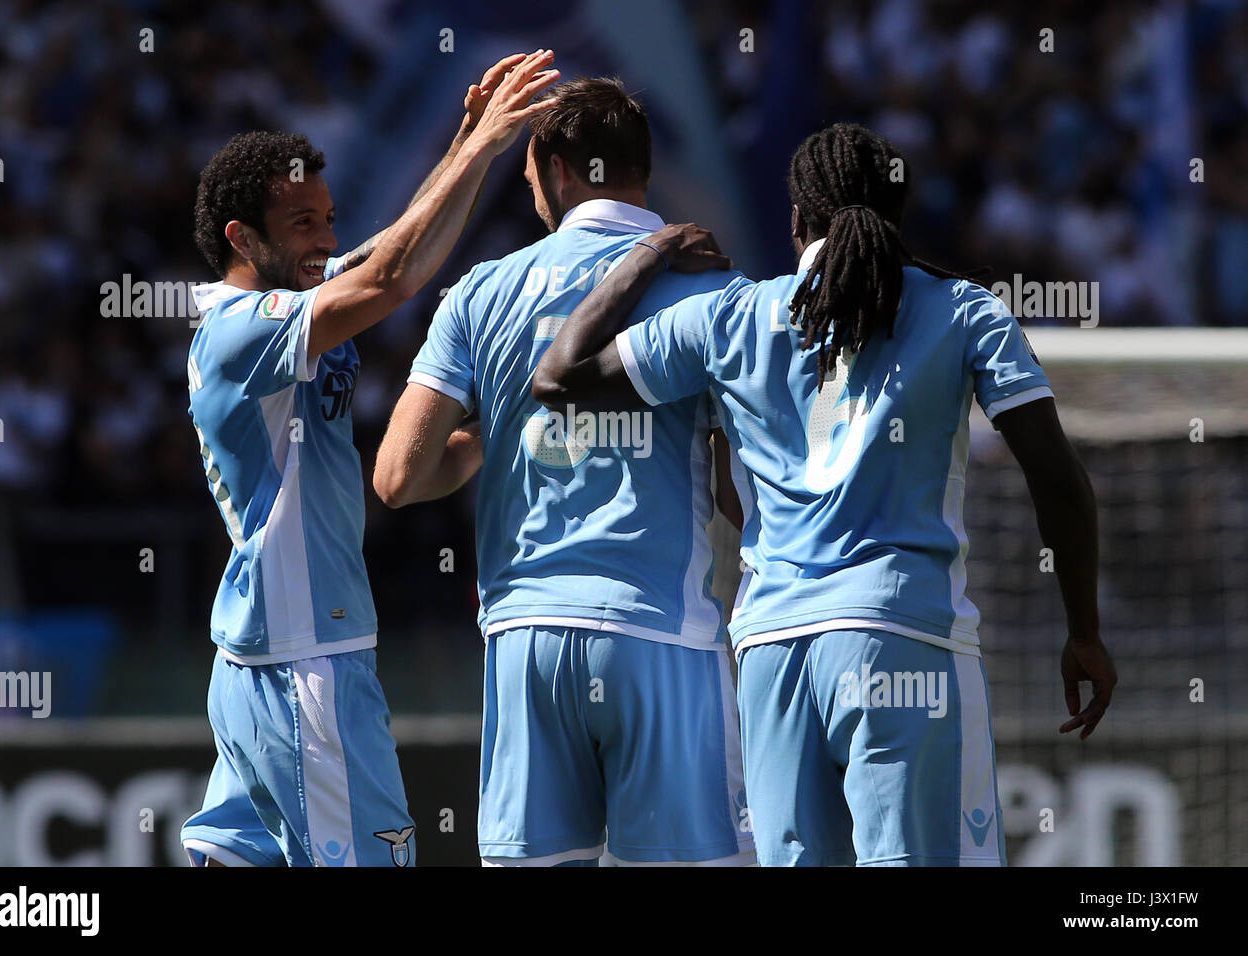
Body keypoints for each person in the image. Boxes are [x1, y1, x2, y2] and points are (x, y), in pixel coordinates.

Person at [533, 122, 1117, 866]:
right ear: (897, 214)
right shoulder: (965, 310)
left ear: (796, 219)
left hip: (772, 647)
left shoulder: (727, 315)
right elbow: (1057, 479)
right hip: (902, 635)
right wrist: (1086, 631)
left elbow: (556, 378)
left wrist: (647, 255)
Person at [179, 51, 560, 867]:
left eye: (328, 216)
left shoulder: (292, 303)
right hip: (304, 664)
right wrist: (486, 148)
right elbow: (393, 279)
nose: (328, 240)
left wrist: (462, 139)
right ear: (242, 239)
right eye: (304, 225)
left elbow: (391, 248)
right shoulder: (241, 330)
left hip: (266, 658)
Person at [374, 77, 753, 867]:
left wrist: (508, 425)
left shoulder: (482, 291)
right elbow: (737, 496)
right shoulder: (717, 290)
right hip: (660, 634)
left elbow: (398, 477)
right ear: (642, 170)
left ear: (553, 167)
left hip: (526, 637)